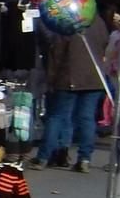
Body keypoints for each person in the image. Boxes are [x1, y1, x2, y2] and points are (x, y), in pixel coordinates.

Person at [33, 14, 112, 173]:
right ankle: (84, 158)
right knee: (87, 118)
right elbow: (105, 43)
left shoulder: (68, 22)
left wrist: (51, 79)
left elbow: (57, 53)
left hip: (69, 76)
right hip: (94, 77)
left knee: (57, 116)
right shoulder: (97, 20)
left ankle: (43, 157)